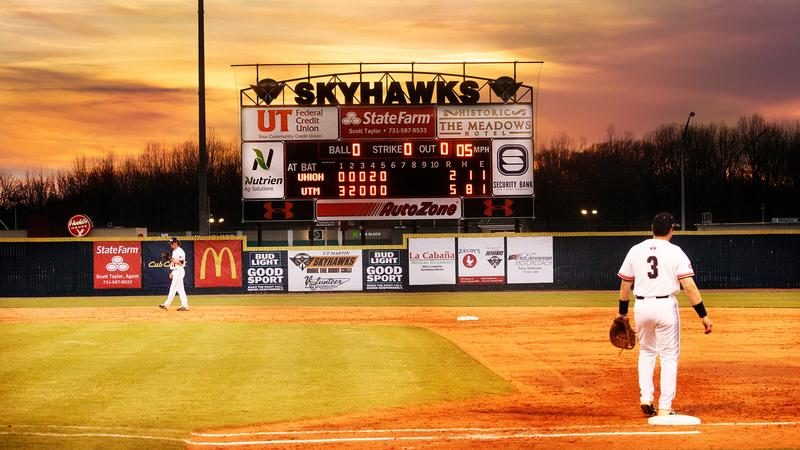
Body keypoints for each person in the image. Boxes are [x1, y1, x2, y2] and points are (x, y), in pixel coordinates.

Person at [616, 212, 712, 417]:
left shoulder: (635, 249)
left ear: (652, 229)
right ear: (671, 230)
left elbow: (625, 284)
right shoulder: (675, 251)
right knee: (669, 357)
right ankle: (665, 407)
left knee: (647, 352)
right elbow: (689, 286)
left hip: (641, 306)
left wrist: (622, 314)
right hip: (665, 306)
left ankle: (645, 398)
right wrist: (703, 315)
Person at [159, 237, 189, 311]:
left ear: (176, 243)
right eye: (170, 243)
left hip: (179, 271)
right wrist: (172, 272)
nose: (170, 245)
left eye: (172, 243)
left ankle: (166, 305)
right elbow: (174, 263)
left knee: (173, 288)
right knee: (180, 289)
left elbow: (181, 263)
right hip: (176, 271)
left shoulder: (180, 251)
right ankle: (185, 306)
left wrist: (170, 259)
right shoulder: (174, 251)